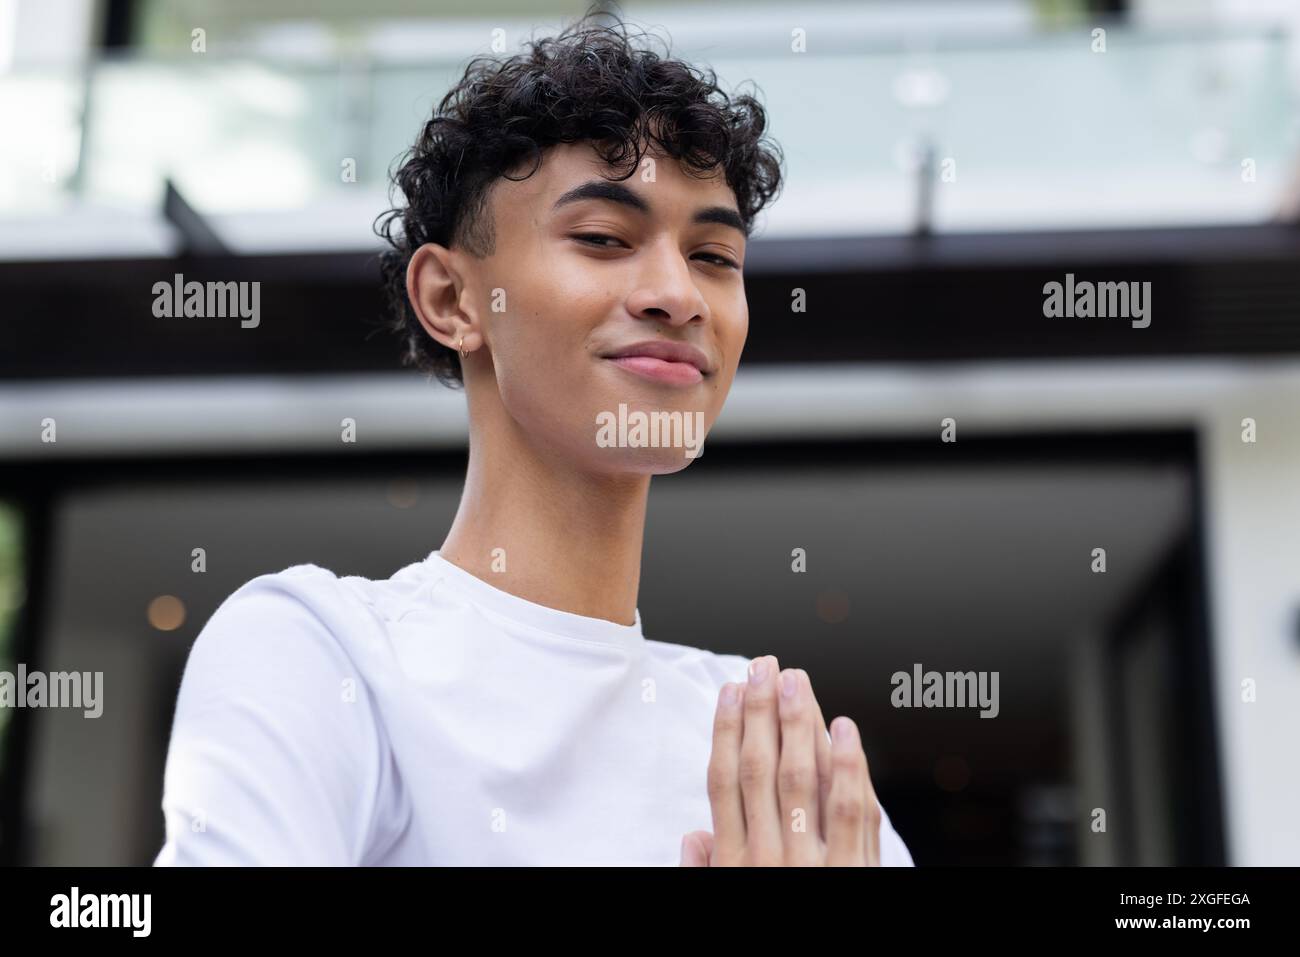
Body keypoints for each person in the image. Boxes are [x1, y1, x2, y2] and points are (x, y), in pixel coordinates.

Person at [154, 12, 913, 867]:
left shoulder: (775, 755)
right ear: (450, 298)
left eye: (714, 256)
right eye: (602, 238)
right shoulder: (323, 656)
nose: (677, 293)